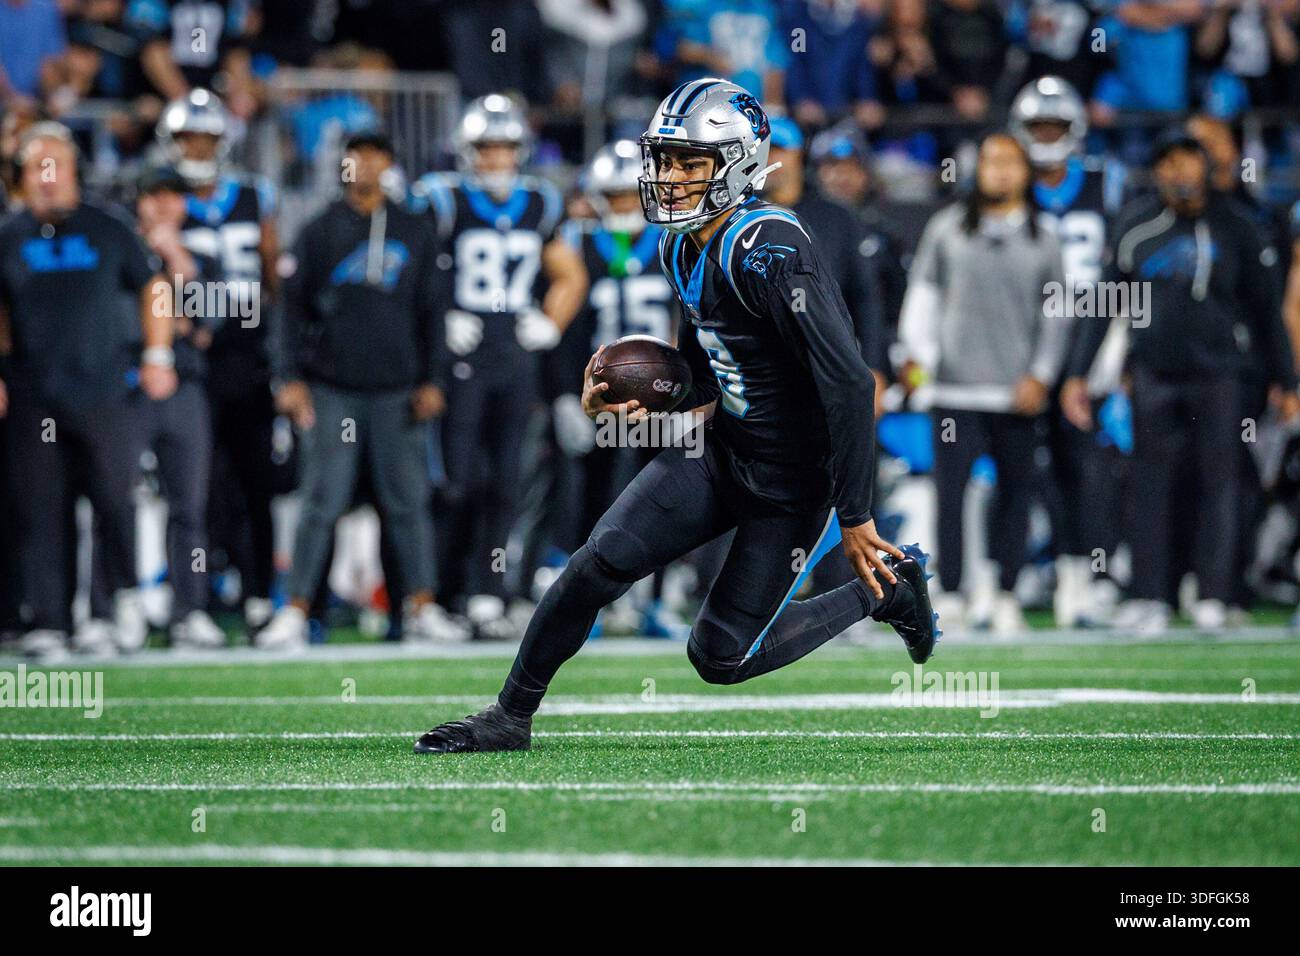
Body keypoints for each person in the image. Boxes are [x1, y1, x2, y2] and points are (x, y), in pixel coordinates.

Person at [413, 78, 938, 754]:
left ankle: (886, 592)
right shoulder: (680, 244)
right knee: (595, 565)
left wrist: (856, 514)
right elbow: (703, 372)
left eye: (691, 161)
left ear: (740, 160)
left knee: (720, 657)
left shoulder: (770, 248)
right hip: (724, 448)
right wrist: (647, 396)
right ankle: (510, 716)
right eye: (664, 159)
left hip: (793, 479)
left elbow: (847, 380)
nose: (671, 176)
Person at [1062, 127, 1300, 633]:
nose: (1181, 172)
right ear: (1158, 170)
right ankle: (1152, 594)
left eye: (1189, 160)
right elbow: (1103, 305)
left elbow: (1266, 312)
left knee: (1220, 485)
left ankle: (1214, 593)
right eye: (1169, 162)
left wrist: (1286, 380)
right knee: (1150, 486)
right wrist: (1077, 375)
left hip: (1222, 377)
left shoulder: (1238, 226)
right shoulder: (1134, 225)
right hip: (1153, 375)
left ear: (1205, 167)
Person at [256, 131, 463, 650]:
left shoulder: (415, 230)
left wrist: (434, 379)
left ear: (388, 163)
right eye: (354, 157)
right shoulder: (320, 229)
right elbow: (289, 311)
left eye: (373, 155)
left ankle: (420, 605)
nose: (363, 166)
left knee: (408, 502)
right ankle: (297, 609)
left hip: (398, 391)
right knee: (321, 500)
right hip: (333, 388)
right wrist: (290, 378)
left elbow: (432, 314)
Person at [410, 93, 588, 640]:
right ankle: (439, 593)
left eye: (505, 148)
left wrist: (552, 324)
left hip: (513, 356)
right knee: (456, 480)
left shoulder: (538, 202)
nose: (495, 160)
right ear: (467, 151)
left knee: (508, 481)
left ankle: (488, 594)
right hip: (461, 355)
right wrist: (439, 317)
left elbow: (571, 274)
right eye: (486, 149)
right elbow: (412, 265)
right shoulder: (442, 200)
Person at [0, 122, 176, 656]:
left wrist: (158, 354)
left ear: (74, 170)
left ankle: (114, 606)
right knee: (41, 507)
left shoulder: (109, 227)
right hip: (35, 392)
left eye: (56, 166)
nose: (48, 179)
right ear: (23, 178)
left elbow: (156, 287)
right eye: (36, 168)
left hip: (105, 389)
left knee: (112, 501)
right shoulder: (9, 236)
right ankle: (51, 621)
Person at [899, 131, 1068, 633]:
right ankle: (950, 591)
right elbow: (922, 299)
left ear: (1025, 171)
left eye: (1009, 161)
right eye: (990, 160)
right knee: (949, 496)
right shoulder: (947, 228)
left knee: (1016, 494)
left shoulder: (1046, 237)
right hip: (954, 389)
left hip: (1014, 392)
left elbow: (1056, 315)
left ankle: (1005, 592)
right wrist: (923, 361)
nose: (999, 170)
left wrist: (1041, 375)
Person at [159, 88, 280, 635]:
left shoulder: (255, 195)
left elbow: (274, 278)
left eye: (206, 137)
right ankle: (197, 598)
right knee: (195, 485)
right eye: (188, 137)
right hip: (189, 358)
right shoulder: (162, 198)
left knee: (255, 481)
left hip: (247, 356)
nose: (198, 147)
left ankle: (257, 594)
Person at [1009, 75, 1125, 627]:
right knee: (1027, 466)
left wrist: (1112, 356)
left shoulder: (1108, 183)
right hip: (1023, 343)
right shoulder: (1009, 187)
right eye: (1038, 127)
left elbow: (1120, 274)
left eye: (1055, 126)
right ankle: (1035, 568)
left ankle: (1092, 573)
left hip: (1088, 340)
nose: (1047, 136)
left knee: (1086, 464)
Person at [132, 162, 226, 648]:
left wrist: (178, 261)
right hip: (126, 386)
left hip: (186, 387)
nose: (165, 204)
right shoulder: (119, 247)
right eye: (155, 194)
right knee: (116, 501)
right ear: (140, 201)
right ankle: (118, 607)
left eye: (174, 195)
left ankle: (189, 610)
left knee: (190, 504)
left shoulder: (202, 257)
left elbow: (212, 325)